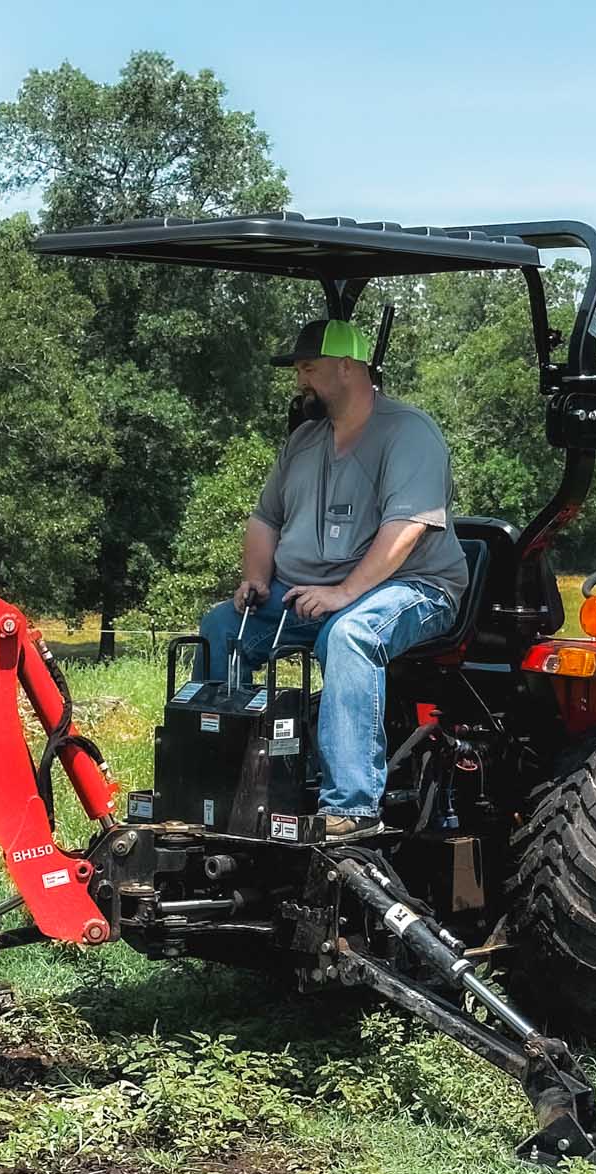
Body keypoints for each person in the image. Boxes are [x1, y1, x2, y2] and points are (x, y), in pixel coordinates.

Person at [196, 317, 469, 839]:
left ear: (348, 367)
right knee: (223, 626)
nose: (300, 380)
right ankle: (222, 783)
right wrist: (256, 577)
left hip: (412, 587)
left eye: (309, 367)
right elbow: (264, 520)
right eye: (299, 368)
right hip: (309, 592)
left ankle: (351, 806)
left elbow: (406, 528)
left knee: (349, 634)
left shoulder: (409, 432)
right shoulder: (303, 443)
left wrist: (345, 593)